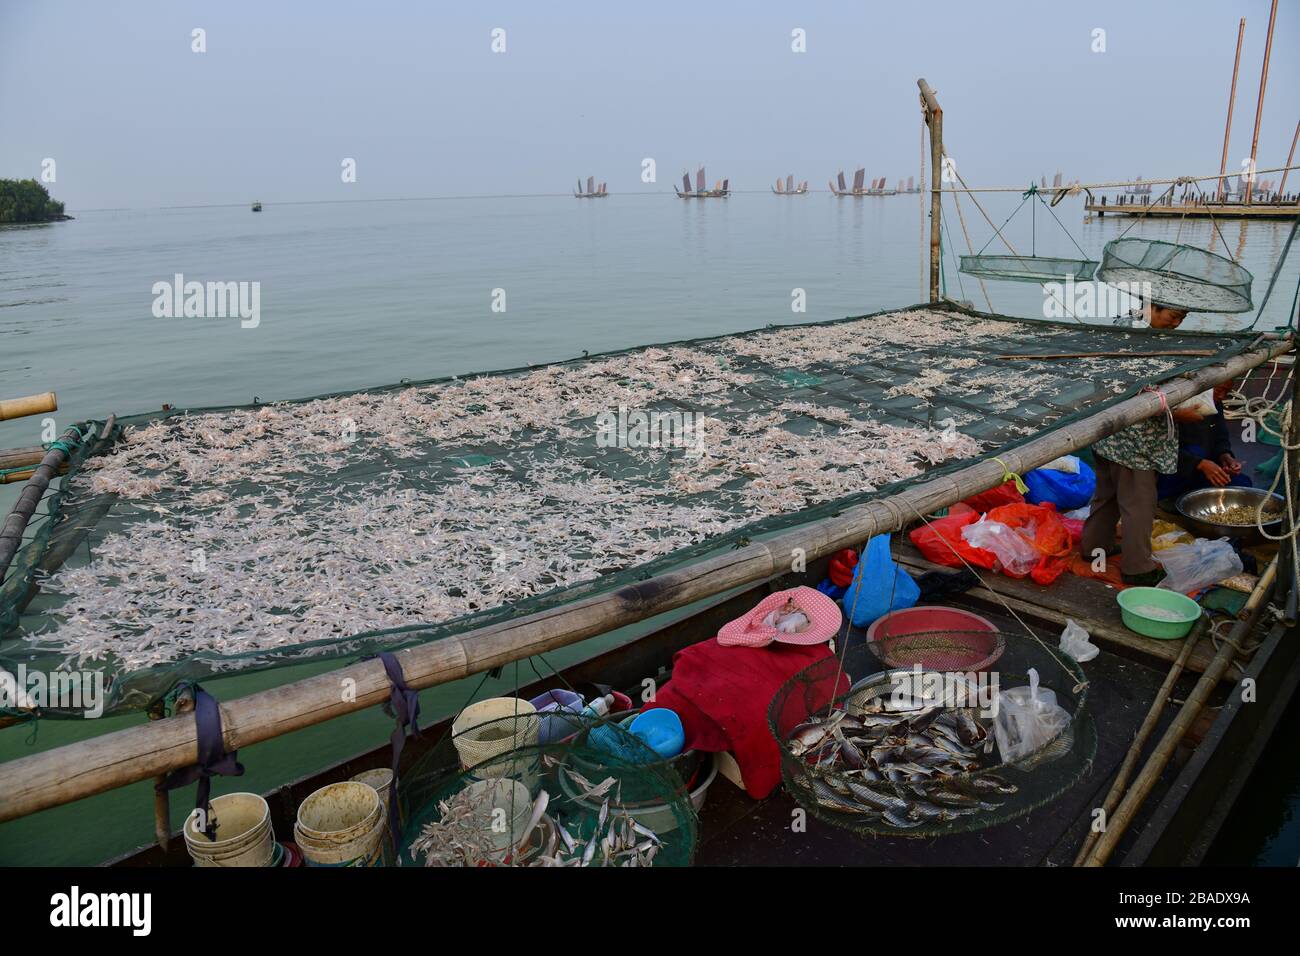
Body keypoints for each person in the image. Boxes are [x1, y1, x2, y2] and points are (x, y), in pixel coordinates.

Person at [1081, 302, 1205, 586]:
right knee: (1139, 506)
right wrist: (1178, 412)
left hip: (1107, 435)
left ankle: (1094, 549)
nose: (1176, 324)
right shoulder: (1139, 340)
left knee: (1107, 497)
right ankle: (1138, 568)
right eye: (1174, 316)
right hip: (1134, 443)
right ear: (1152, 307)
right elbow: (1140, 394)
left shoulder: (1122, 326)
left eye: (1182, 318)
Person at [1156, 380, 1253, 500]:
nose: (1221, 396)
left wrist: (1225, 456)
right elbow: (1160, 451)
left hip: (1202, 469)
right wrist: (1199, 463)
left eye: (1226, 392)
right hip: (1173, 473)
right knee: (1196, 451)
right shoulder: (1175, 405)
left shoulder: (1216, 404)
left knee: (1243, 484)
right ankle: (1167, 500)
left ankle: (1193, 495)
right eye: (1219, 391)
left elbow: (1220, 437)